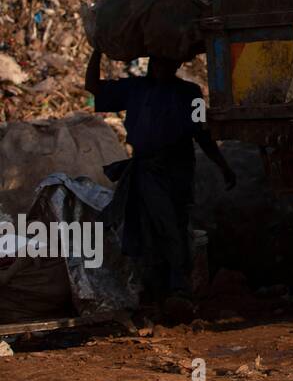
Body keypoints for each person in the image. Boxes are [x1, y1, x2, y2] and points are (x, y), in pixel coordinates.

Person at [86, 50, 236, 320]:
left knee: (175, 225)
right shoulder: (135, 89)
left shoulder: (190, 93)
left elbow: (202, 133)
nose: (161, 67)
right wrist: (97, 51)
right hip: (147, 170)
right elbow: (93, 87)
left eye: (167, 62)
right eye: (157, 61)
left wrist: (222, 165)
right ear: (150, 62)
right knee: (155, 227)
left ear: (177, 63)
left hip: (178, 169)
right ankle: (164, 293)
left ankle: (175, 292)